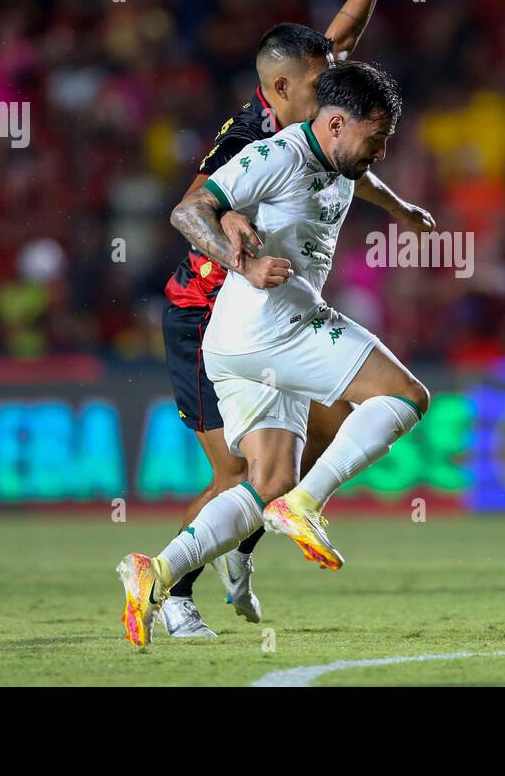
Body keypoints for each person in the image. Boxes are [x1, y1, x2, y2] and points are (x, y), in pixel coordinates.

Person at [156, 0, 433, 637]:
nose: (330, 94)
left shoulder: (308, 108)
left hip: (263, 313)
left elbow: (339, 38)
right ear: (281, 93)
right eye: (319, 86)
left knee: (282, 465)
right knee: (238, 476)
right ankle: (172, 590)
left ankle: (239, 556)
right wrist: (235, 247)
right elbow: (190, 209)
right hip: (205, 313)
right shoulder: (249, 140)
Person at [118, 62, 428, 648]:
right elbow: (188, 211)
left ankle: (155, 573)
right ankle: (307, 505)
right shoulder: (277, 155)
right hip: (273, 324)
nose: (381, 154)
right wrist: (246, 263)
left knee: (266, 481)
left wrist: (400, 211)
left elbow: (358, 180)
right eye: (376, 140)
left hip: (238, 342)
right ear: (335, 123)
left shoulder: (337, 155)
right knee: (407, 396)